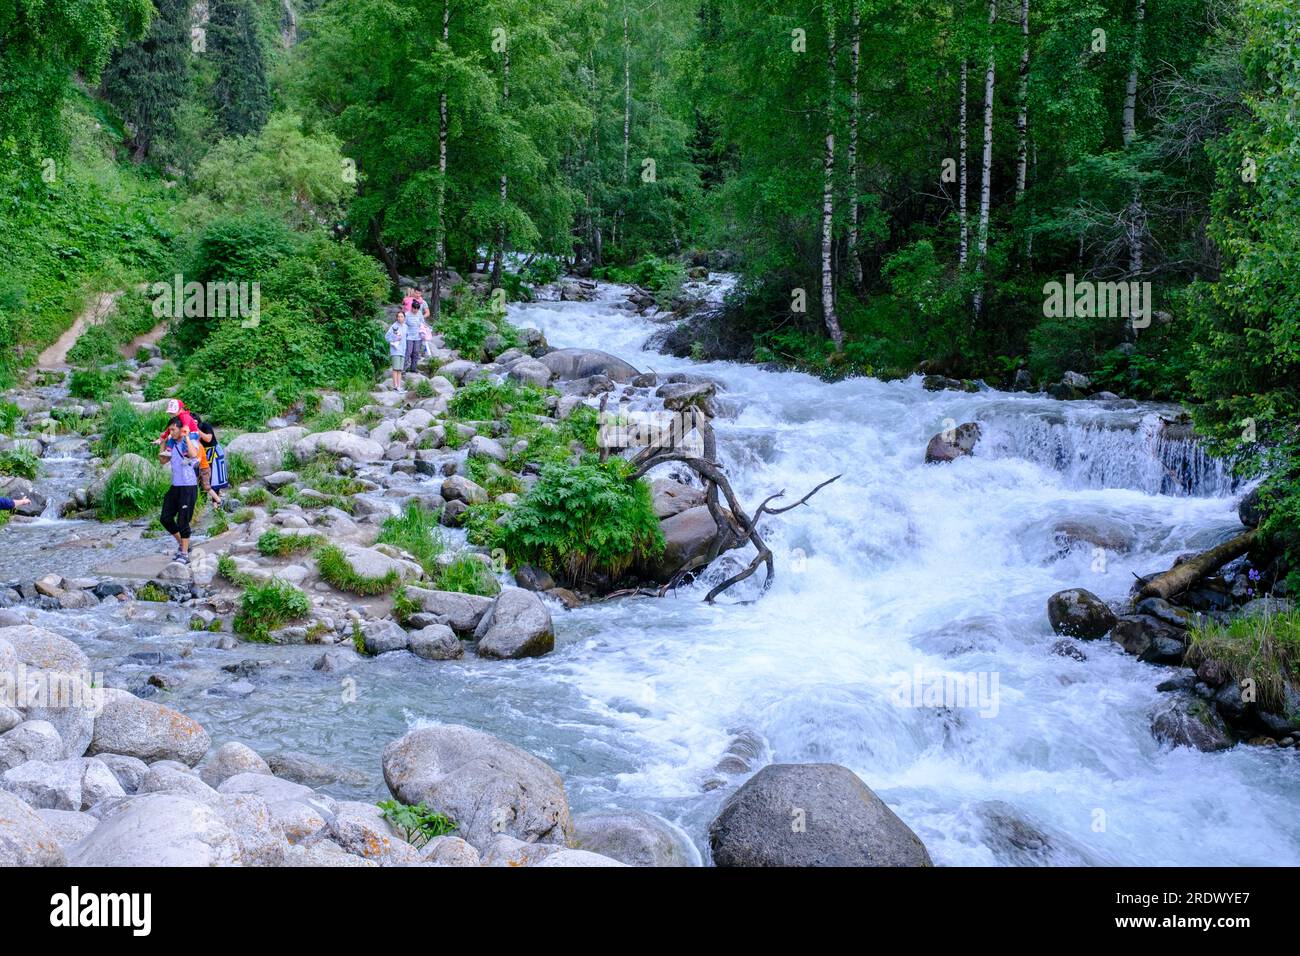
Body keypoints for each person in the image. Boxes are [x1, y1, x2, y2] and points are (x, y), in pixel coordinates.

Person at [159, 416, 201, 565]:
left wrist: (186, 437)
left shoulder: (189, 441)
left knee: (183, 521)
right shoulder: (170, 442)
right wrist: (163, 442)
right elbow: (163, 460)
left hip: (188, 486)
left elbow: (193, 454)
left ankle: (184, 553)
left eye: (173, 429)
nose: (171, 432)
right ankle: (184, 544)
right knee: (165, 518)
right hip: (175, 486)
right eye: (169, 430)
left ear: (180, 428)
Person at [195, 419, 223, 507]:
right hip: (203, 456)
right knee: (203, 483)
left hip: (213, 454)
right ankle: (203, 504)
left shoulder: (205, 425)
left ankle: (216, 503)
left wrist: (196, 430)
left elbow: (208, 439)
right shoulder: (197, 444)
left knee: (214, 479)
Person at [385, 312, 406, 390]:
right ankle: (395, 386)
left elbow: (405, 339)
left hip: (402, 351)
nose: (400, 318)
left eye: (402, 316)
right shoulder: (394, 326)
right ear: (397, 317)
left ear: (404, 318)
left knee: (400, 370)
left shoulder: (405, 327)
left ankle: (399, 386)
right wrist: (395, 338)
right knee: (395, 369)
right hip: (395, 350)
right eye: (399, 316)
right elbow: (386, 337)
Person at [403, 298, 424, 373]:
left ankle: (413, 368)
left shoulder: (420, 314)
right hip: (409, 337)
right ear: (411, 307)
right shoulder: (407, 314)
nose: (415, 310)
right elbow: (403, 325)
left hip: (418, 337)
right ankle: (403, 369)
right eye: (414, 308)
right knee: (408, 352)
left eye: (417, 309)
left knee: (416, 352)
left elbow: (422, 323)